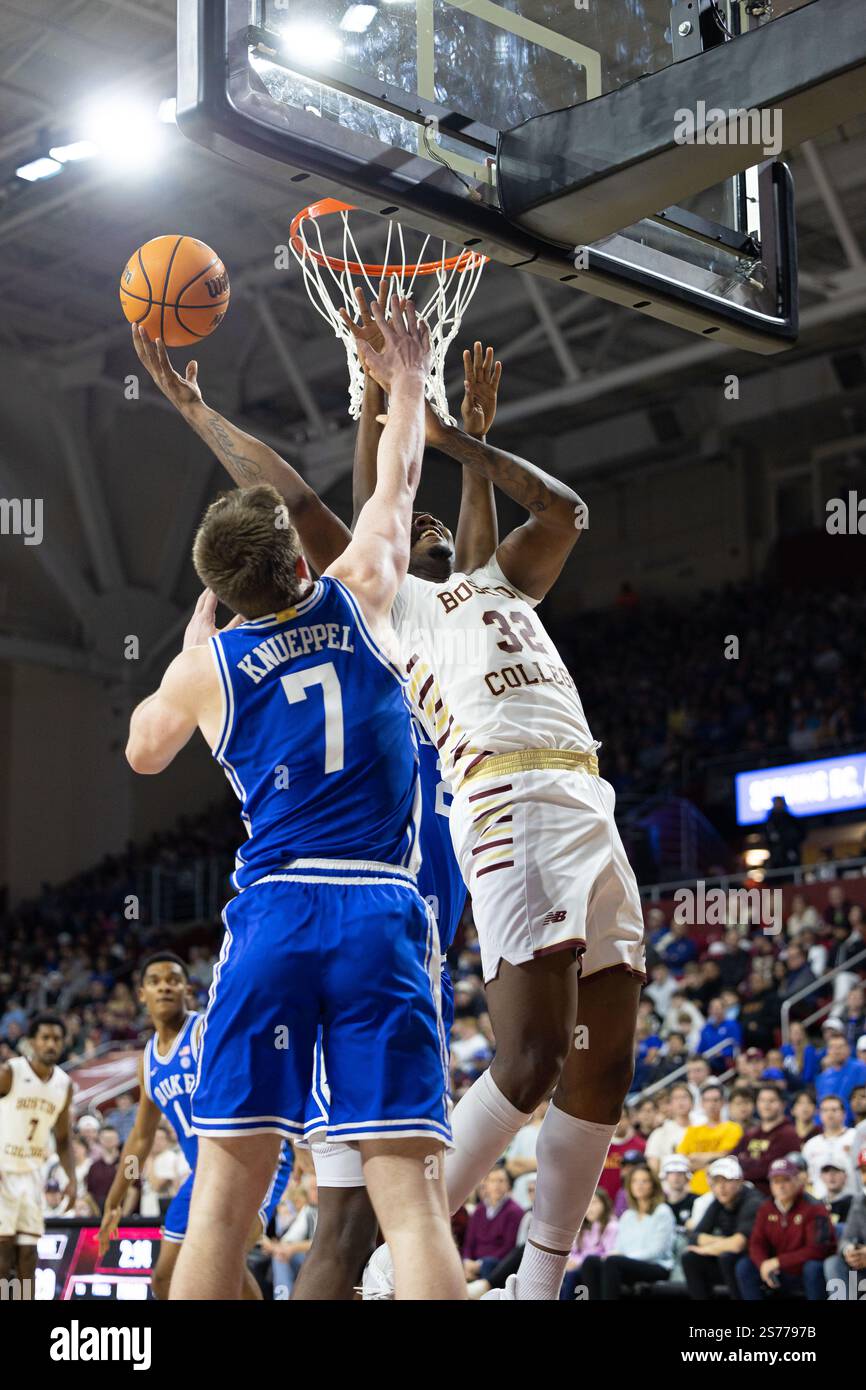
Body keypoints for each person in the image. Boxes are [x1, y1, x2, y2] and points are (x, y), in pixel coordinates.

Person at [127, 303, 466, 1302]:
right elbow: (395, 479)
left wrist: (193, 655)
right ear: (297, 560)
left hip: (275, 915)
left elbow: (143, 754)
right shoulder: (360, 587)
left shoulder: (207, 666)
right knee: (410, 1204)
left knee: (221, 1208)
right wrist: (404, 377)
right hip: (377, 909)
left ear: (221, 592)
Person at [98, 953, 291, 1299]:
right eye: (155, 981)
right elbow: (141, 1137)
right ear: (141, 994)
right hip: (202, 1175)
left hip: (250, 1162)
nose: (165, 987)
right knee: (164, 1279)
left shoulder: (206, 1030)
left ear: (187, 988)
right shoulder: (148, 1061)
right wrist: (113, 1201)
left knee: (221, 1257)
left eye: (173, 980)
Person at [0, 1015, 75, 1299]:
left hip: (32, 1174)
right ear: (32, 1042)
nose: (51, 1043)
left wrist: (72, 1180)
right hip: (3, 1170)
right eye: (44, 1037)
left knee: (28, 1254)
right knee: (4, 1252)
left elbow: (65, 1138)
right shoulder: (11, 1072)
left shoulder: (64, 1085)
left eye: (56, 1038)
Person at [736, 1157, 836, 1300]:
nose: (781, 1186)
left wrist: (778, 1261)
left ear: (797, 1180)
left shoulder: (815, 1207)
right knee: (745, 1266)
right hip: (778, 1270)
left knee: (813, 1268)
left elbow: (818, 1249)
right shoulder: (766, 1208)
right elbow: (756, 1243)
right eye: (776, 1181)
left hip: (802, 1269)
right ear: (770, 1184)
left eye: (786, 1180)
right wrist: (763, 1263)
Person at [580, 1164, 676, 1299]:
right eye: (635, 1181)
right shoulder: (628, 1215)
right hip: (627, 1263)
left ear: (653, 1185)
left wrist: (624, 1257)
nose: (639, 1185)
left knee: (612, 1262)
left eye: (645, 1181)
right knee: (591, 1262)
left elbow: (656, 1251)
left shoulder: (662, 1212)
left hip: (657, 1266)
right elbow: (619, 1247)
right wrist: (615, 1256)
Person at [681, 1156, 763, 1300]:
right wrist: (722, 1241)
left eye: (726, 1180)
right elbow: (694, 1237)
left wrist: (709, 1248)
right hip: (730, 1258)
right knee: (690, 1258)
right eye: (716, 1182)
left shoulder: (753, 1201)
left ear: (739, 1181)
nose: (721, 1187)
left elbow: (738, 1244)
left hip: (756, 1260)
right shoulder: (719, 1200)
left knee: (728, 1257)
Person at [732, 1083, 801, 1196]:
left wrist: (745, 1161)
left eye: (772, 1101)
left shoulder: (788, 1134)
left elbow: (768, 1169)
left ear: (783, 1104)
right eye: (762, 1100)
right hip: (743, 1192)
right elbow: (732, 1159)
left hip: (769, 1195)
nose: (766, 1105)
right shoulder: (751, 1133)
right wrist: (753, 1163)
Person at [677, 1083, 743, 1195]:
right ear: (702, 1103)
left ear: (723, 1103)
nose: (711, 1104)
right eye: (707, 1100)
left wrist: (696, 1157)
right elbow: (683, 1161)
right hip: (694, 1190)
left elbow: (726, 1157)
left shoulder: (733, 1128)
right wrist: (714, 1158)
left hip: (723, 1190)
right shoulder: (692, 1131)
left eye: (715, 1100)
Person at [461, 1167, 525, 1283]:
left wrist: (480, 1264)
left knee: (488, 1264)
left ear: (508, 1185)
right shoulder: (479, 1210)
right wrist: (467, 1261)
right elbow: (468, 1243)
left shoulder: (515, 1212)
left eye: (501, 1181)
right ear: (485, 1184)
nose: (497, 1185)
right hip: (474, 1262)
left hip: (496, 1264)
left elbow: (509, 1248)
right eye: (492, 1181)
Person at [560, 1188, 618, 1300]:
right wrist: (569, 1261)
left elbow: (608, 1253)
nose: (590, 1208)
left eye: (594, 1203)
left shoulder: (611, 1226)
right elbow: (574, 1251)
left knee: (572, 1276)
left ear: (604, 1204)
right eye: (587, 1203)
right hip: (579, 1265)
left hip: (598, 1266)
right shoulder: (583, 1227)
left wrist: (578, 1263)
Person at [824, 1147, 866, 1299]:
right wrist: (849, 1251)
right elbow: (846, 1238)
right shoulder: (860, 1200)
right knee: (833, 1263)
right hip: (862, 1268)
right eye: (863, 1171)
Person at [802, 1095, 856, 1197]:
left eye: (834, 1110)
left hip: (852, 1198)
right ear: (819, 1114)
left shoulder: (855, 1137)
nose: (830, 1114)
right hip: (820, 1201)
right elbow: (806, 1177)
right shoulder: (811, 1144)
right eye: (825, 1110)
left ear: (844, 1113)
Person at [816, 1034, 866, 1119]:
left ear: (848, 1049)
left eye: (840, 1047)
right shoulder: (822, 1077)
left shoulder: (860, 1068)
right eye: (833, 1047)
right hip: (830, 1125)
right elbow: (820, 1106)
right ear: (828, 1051)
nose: (836, 1051)